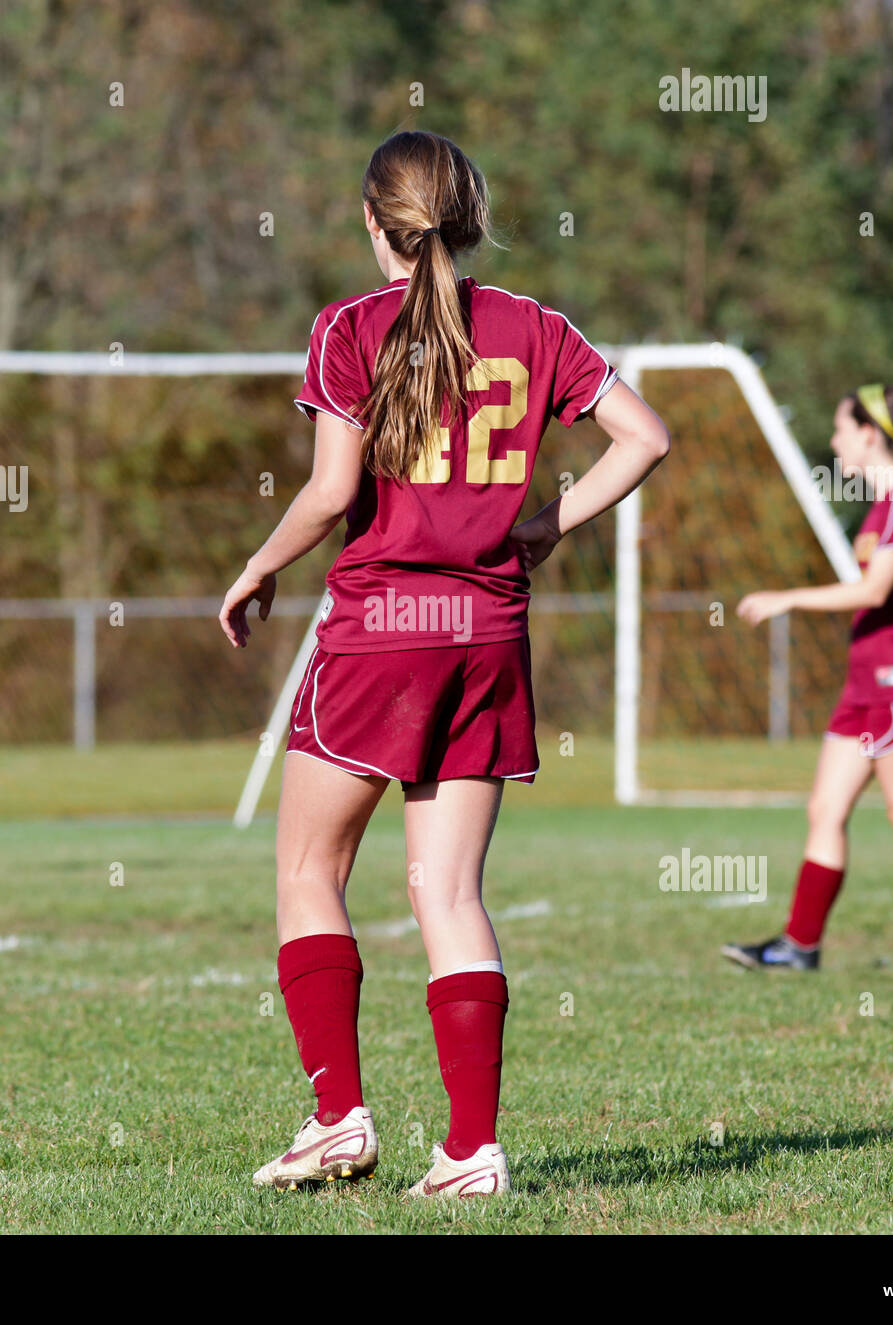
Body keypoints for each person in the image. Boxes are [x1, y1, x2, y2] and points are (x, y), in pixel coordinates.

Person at [219, 130, 670, 1196]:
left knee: (305, 873)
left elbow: (331, 495)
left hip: (382, 630)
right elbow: (644, 436)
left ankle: (337, 1120)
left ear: (371, 218)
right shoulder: (534, 325)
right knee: (450, 890)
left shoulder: (349, 328)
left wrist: (256, 564)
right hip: (488, 631)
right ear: (468, 214)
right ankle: (471, 1152)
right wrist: (548, 521)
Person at [723, 385, 893, 973]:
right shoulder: (885, 504)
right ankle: (798, 947)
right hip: (866, 685)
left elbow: (875, 590)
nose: (834, 442)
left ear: (869, 434)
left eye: (840, 430)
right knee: (824, 809)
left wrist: (787, 599)